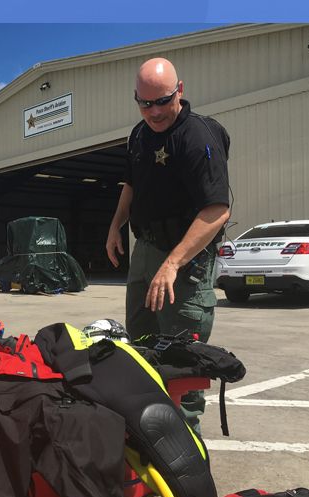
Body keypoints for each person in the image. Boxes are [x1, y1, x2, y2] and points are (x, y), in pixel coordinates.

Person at [105, 57, 231, 434]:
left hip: (185, 256)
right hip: (146, 249)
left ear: (180, 91)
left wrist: (173, 264)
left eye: (162, 101)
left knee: (181, 354)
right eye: (145, 103)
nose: (155, 111)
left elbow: (217, 210)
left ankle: (186, 445)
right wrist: (116, 226)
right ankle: (148, 432)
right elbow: (130, 185)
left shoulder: (197, 137)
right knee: (139, 345)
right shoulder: (138, 135)